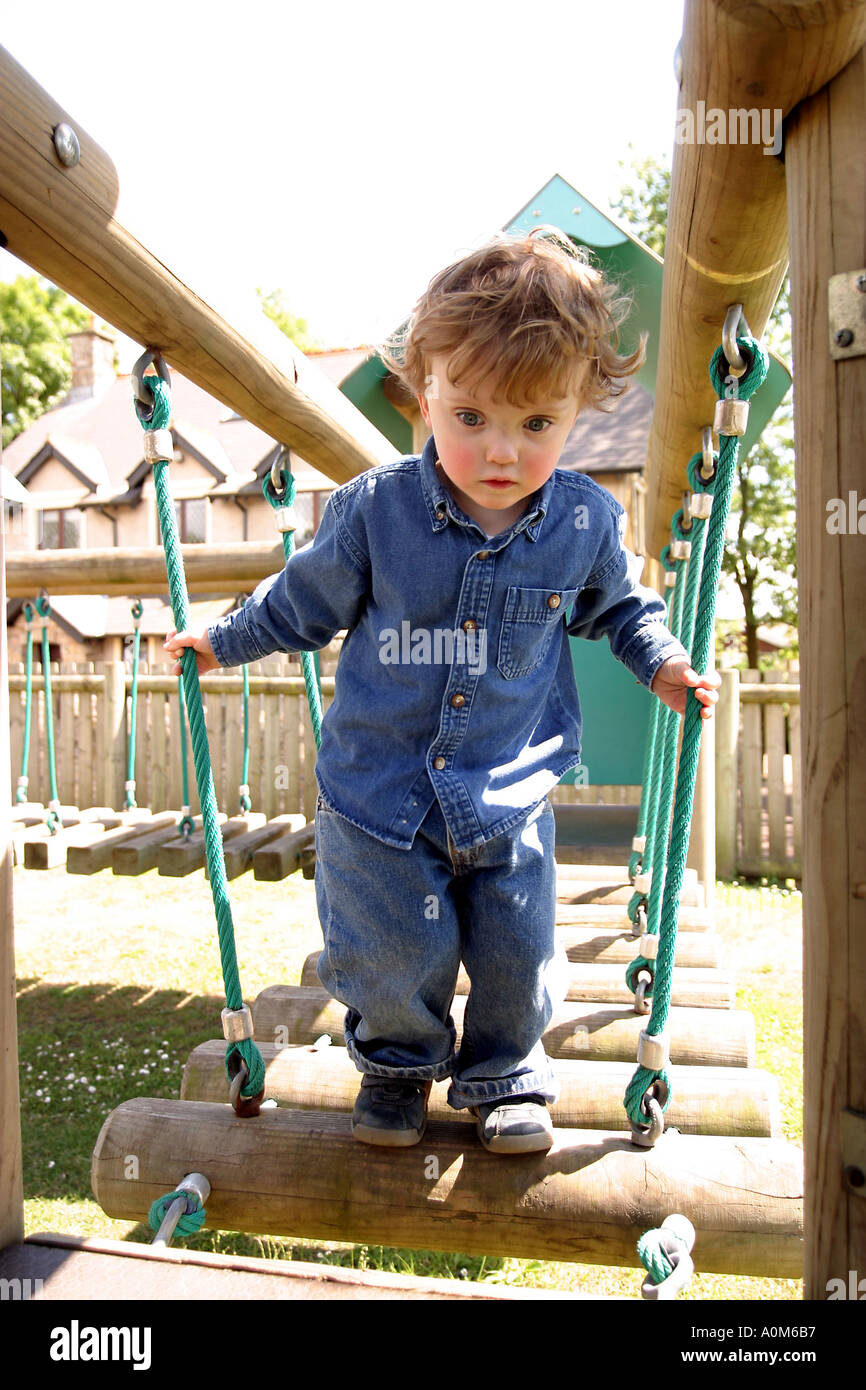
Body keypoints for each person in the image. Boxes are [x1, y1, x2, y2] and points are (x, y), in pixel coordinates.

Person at [164, 228, 720, 1156]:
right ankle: (397, 1066)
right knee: (388, 952)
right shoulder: (374, 511)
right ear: (425, 392)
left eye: (537, 425)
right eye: (471, 418)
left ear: (576, 413)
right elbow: (302, 602)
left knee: (516, 953)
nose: (501, 450)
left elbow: (624, 609)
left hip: (508, 790)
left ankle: (504, 1074)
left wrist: (660, 661)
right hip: (379, 790)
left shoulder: (584, 522)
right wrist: (220, 640)